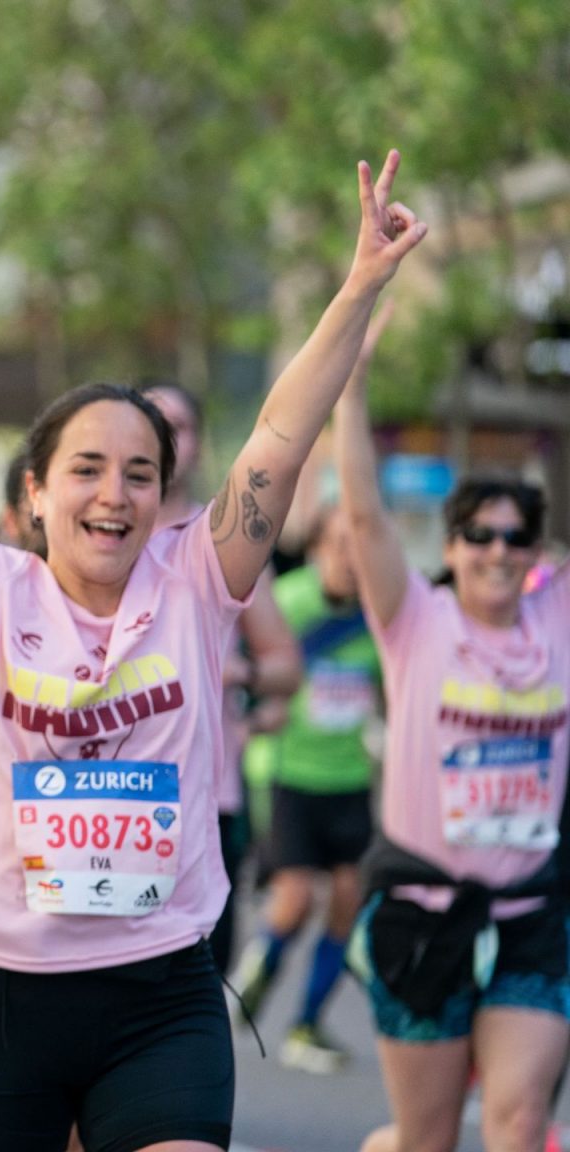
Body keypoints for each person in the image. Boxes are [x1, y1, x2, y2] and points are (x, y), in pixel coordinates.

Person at [0, 150, 426, 1152]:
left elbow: (281, 437)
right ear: (33, 492)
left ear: (163, 493)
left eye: (138, 473)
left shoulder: (197, 581)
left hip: (159, 997)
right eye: (85, 469)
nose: (113, 495)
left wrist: (360, 283)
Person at [334, 303, 570, 1152]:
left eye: (515, 537)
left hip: (530, 916)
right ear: (452, 545)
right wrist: (352, 385)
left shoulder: (557, 618)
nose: (498, 551)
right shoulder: (415, 618)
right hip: (421, 918)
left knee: (519, 1120)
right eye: (479, 535)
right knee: (425, 1140)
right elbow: (365, 517)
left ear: (536, 549)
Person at [141, 380, 304, 972]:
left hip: (208, 796)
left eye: (179, 426)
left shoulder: (224, 545)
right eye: (151, 422)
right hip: (104, 795)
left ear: (199, 444)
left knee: (202, 971)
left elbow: (286, 669)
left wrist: (238, 671)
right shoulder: (95, 536)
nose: (164, 438)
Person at [233, 503, 379, 1074]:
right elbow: (255, 670)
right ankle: (257, 975)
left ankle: (307, 1024)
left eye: (360, 545)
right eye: (339, 544)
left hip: (350, 778)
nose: (350, 557)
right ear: (316, 549)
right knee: (294, 897)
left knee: (347, 900)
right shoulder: (289, 603)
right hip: (289, 775)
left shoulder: (380, 611)